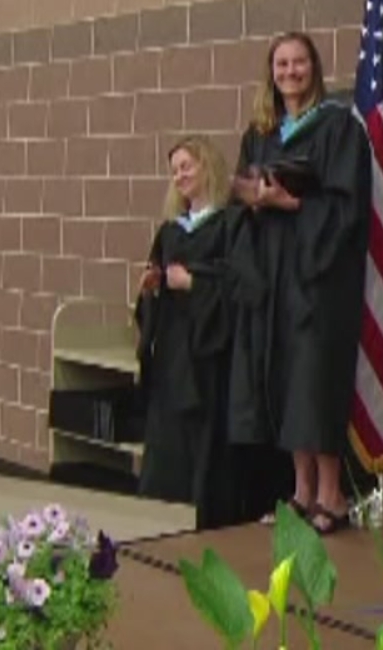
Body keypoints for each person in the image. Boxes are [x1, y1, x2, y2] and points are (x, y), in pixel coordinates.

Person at [229, 32, 373, 536]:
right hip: (275, 274)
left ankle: (331, 495)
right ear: (271, 72)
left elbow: (348, 205)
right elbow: (240, 191)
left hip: (319, 277)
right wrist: (253, 196)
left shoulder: (338, 127)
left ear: (314, 67)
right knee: (287, 378)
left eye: (299, 62)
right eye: (281, 63)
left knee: (316, 381)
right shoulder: (261, 132)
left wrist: (293, 205)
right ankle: (301, 490)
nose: (290, 71)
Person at [135, 136, 272, 530]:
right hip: (175, 353)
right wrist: (153, 286)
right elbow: (155, 298)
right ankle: (163, 517)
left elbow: (247, 285)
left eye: (186, 166)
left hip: (214, 353)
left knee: (210, 442)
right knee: (169, 437)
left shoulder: (232, 222)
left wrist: (196, 283)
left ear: (207, 167)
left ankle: (210, 519)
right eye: (175, 169)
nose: (179, 175)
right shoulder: (170, 232)